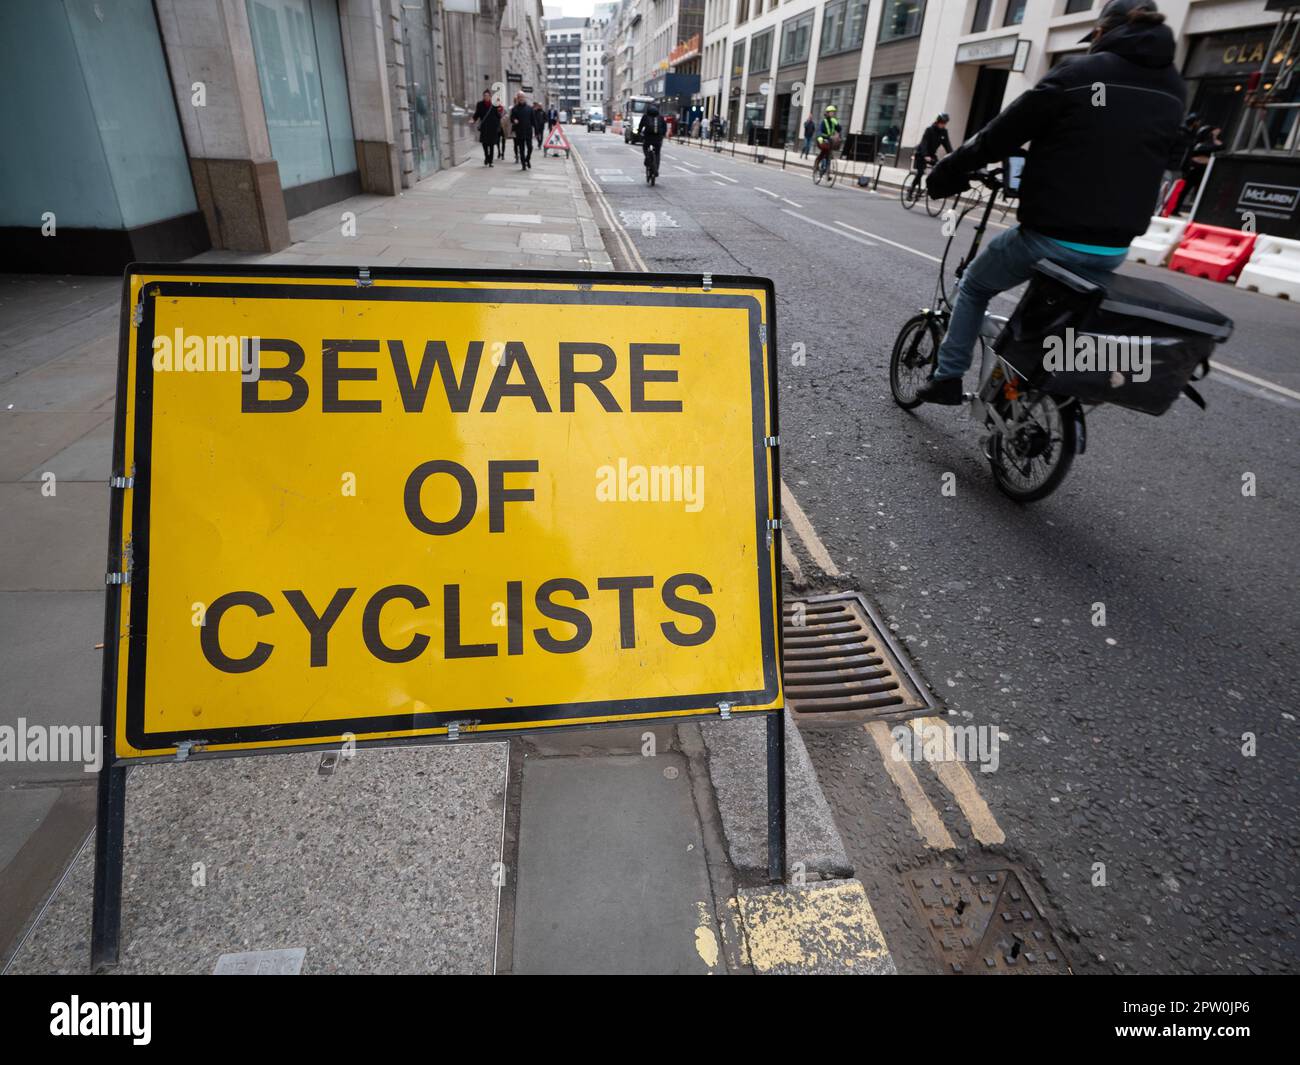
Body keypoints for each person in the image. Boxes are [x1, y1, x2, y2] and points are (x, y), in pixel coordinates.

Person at [916, 0, 1185, 405]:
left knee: (974, 286)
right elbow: (1167, 156)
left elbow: (1001, 134)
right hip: (1114, 246)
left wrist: (947, 172)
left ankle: (947, 378)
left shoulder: (1080, 73)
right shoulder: (1173, 87)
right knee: (1049, 318)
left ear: (1102, 32)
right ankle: (1020, 388)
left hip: (1052, 236)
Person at [638, 102, 667, 178]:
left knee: (645, 147)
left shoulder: (645, 116)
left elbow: (640, 126)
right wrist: (663, 135)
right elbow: (664, 127)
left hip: (648, 137)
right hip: (658, 138)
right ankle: (656, 169)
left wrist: (639, 133)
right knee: (657, 153)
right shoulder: (660, 117)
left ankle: (647, 157)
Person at [474, 91, 500, 166]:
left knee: (491, 145)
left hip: (492, 128)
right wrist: (473, 119)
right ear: (483, 96)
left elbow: (498, 116)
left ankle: (490, 161)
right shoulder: (480, 104)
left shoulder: (494, 105)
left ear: (490, 97)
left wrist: (498, 126)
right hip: (484, 128)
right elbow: (477, 114)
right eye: (485, 95)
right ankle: (486, 157)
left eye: (488, 95)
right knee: (484, 144)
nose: (486, 97)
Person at [510, 92, 534, 169]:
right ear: (518, 98)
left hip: (528, 131)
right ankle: (523, 164)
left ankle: (527, 159)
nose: (521, 98)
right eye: (519, 97)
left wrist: (537, 131)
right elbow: (511, 118)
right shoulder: (514, 109)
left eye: (522, 97)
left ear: (524, 98)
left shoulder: (530, 108)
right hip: (519, 131)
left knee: (530, 147)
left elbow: (533, 120)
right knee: (521, 148)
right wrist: (514, 120)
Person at [814, 105, 841, 171]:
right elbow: (819, 130)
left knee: (828, 154)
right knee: (824, 151)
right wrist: (819, 137)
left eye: (833, 112)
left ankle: (827, 172)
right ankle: (817, 162)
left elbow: (839, 129)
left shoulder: (833, 121)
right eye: (831, 112)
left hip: (829, 140)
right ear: (828, 113)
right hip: (822, 140)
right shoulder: (824, 121)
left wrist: (837, 124)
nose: (833, 114)